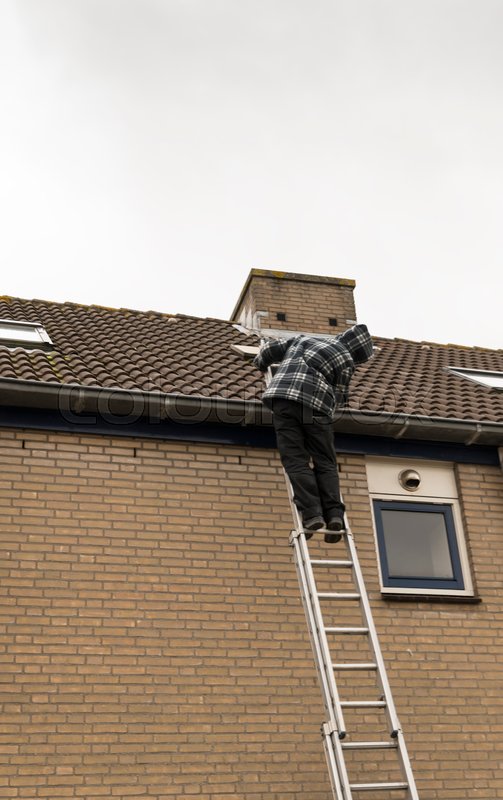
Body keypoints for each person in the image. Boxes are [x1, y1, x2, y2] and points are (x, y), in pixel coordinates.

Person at [254, 324, 373, 543]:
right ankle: (335, 515)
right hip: (318, 409)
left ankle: (311, 514)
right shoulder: (346, 361)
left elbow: (271, 350)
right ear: (357, 353)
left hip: (284, 400)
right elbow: (339, 397)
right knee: (325, 462)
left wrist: (260, 362)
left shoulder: (304, 339)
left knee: (295, 459)